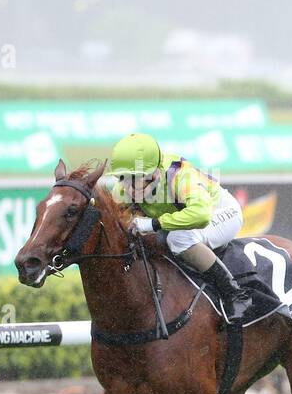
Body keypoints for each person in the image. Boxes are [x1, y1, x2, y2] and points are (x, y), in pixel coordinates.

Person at [107, 133, 252, 325]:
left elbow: (201, 215)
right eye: (122, 178)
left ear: (153, 174)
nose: (127, 187)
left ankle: (235, 294)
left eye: (134, 179)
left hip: (221, 213)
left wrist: (154, 223)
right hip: (185, 219)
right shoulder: (125, 188)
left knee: (177, 238)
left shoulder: (180, 176)